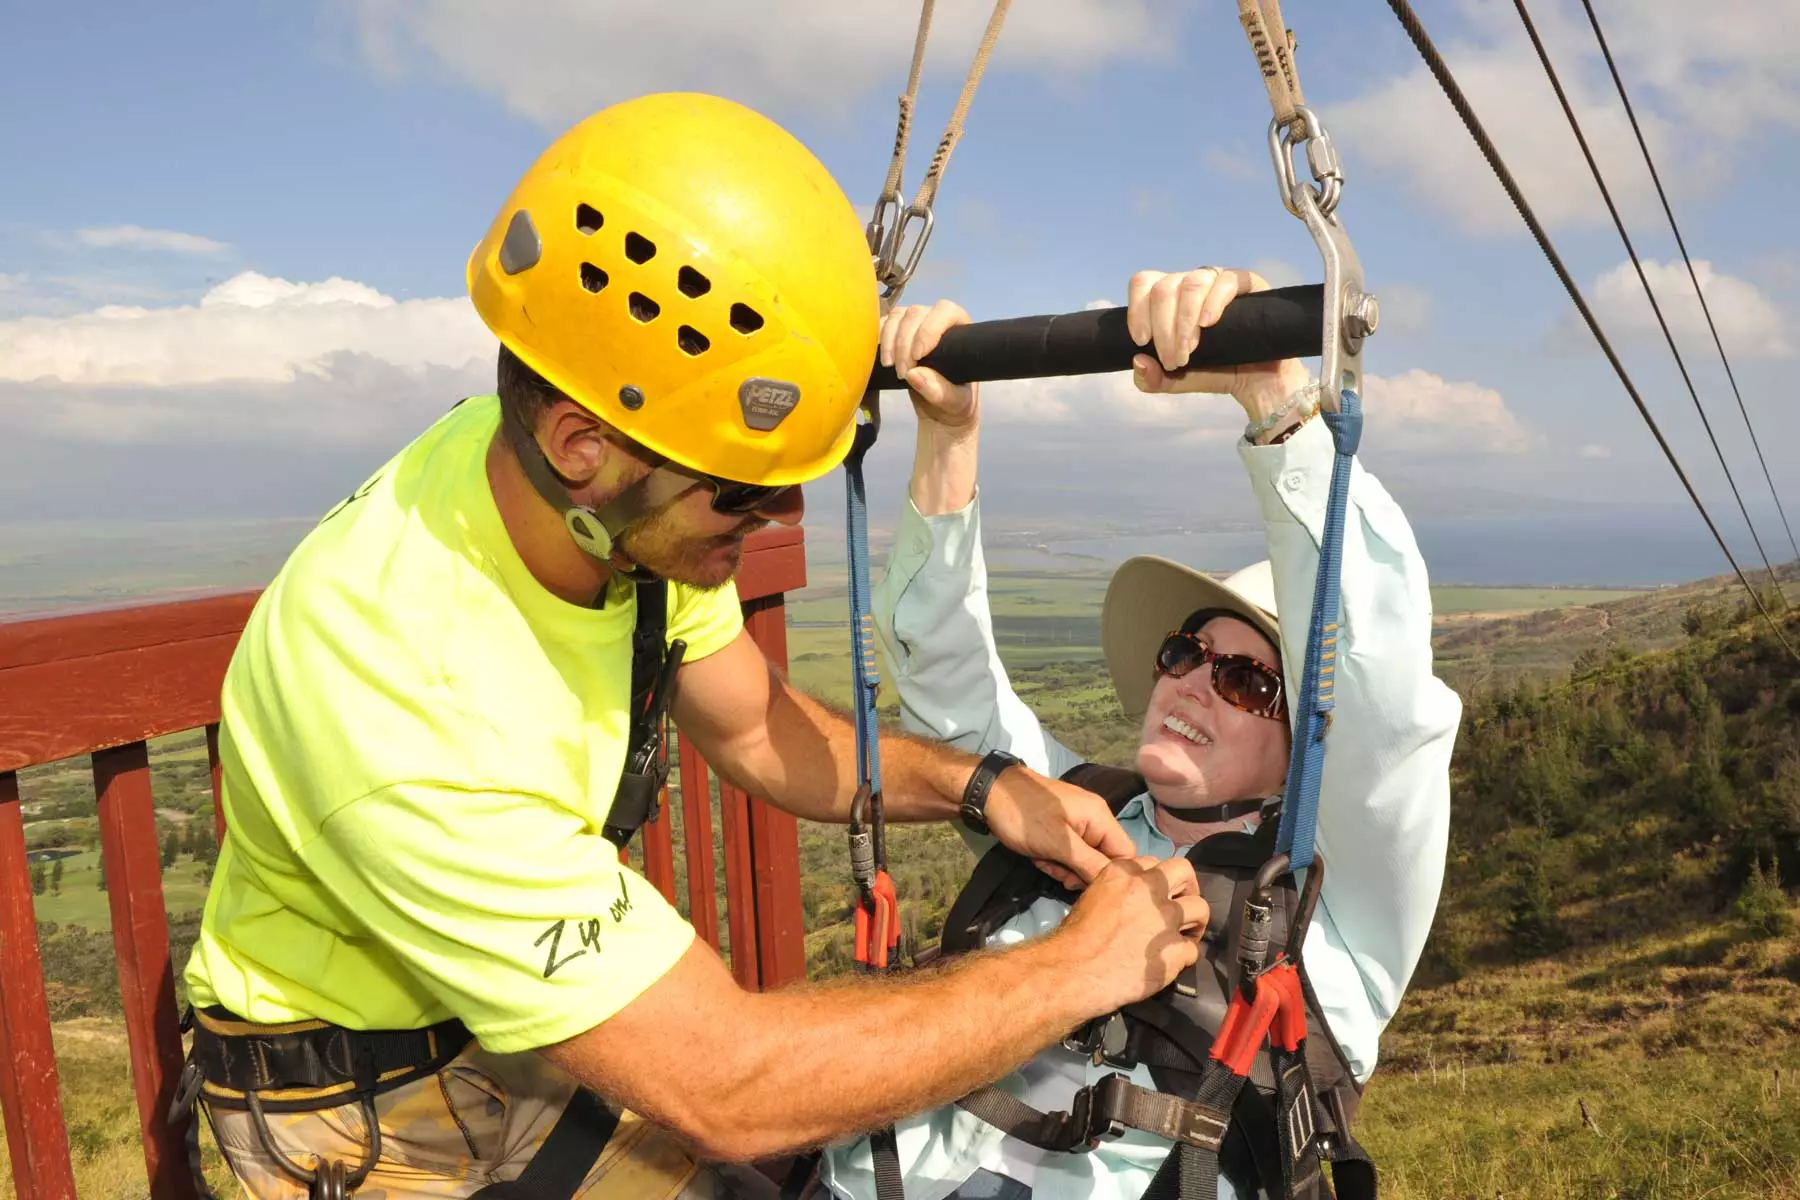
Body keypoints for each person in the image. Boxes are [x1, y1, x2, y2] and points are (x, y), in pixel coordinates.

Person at [176, 93, 1211, 1199]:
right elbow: (726, 1086)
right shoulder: (392, 684)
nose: (768, 528)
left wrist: (985, 787)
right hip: (353, 1123)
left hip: (495, 1042)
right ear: (583, 448)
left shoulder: (604, 511)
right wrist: (1075, 969)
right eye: (745, 500)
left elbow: (758, 732)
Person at [818, 268, 1460, 1200]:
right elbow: (946, 686)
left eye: (1246, 679)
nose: (1197, 680)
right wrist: (949, 436)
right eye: (1184, 652)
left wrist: (1276, 406)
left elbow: (1378, 695)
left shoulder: (1339, 906)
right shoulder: (1074, 809)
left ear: (1303, 750)